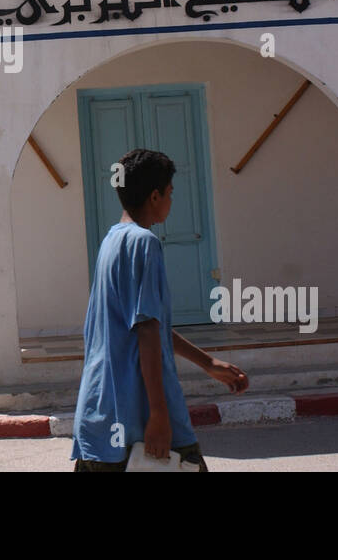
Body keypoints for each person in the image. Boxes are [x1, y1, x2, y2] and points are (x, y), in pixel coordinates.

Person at [71, 148, 248, 472]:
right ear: (155, 196)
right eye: (170, 193)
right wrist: (159, 415)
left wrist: (207, 363)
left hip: (100, 414)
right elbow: (148, 330)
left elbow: (146, 323)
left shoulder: (111, 241)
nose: (170, 200)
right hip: (137, 418)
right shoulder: (144, 243)